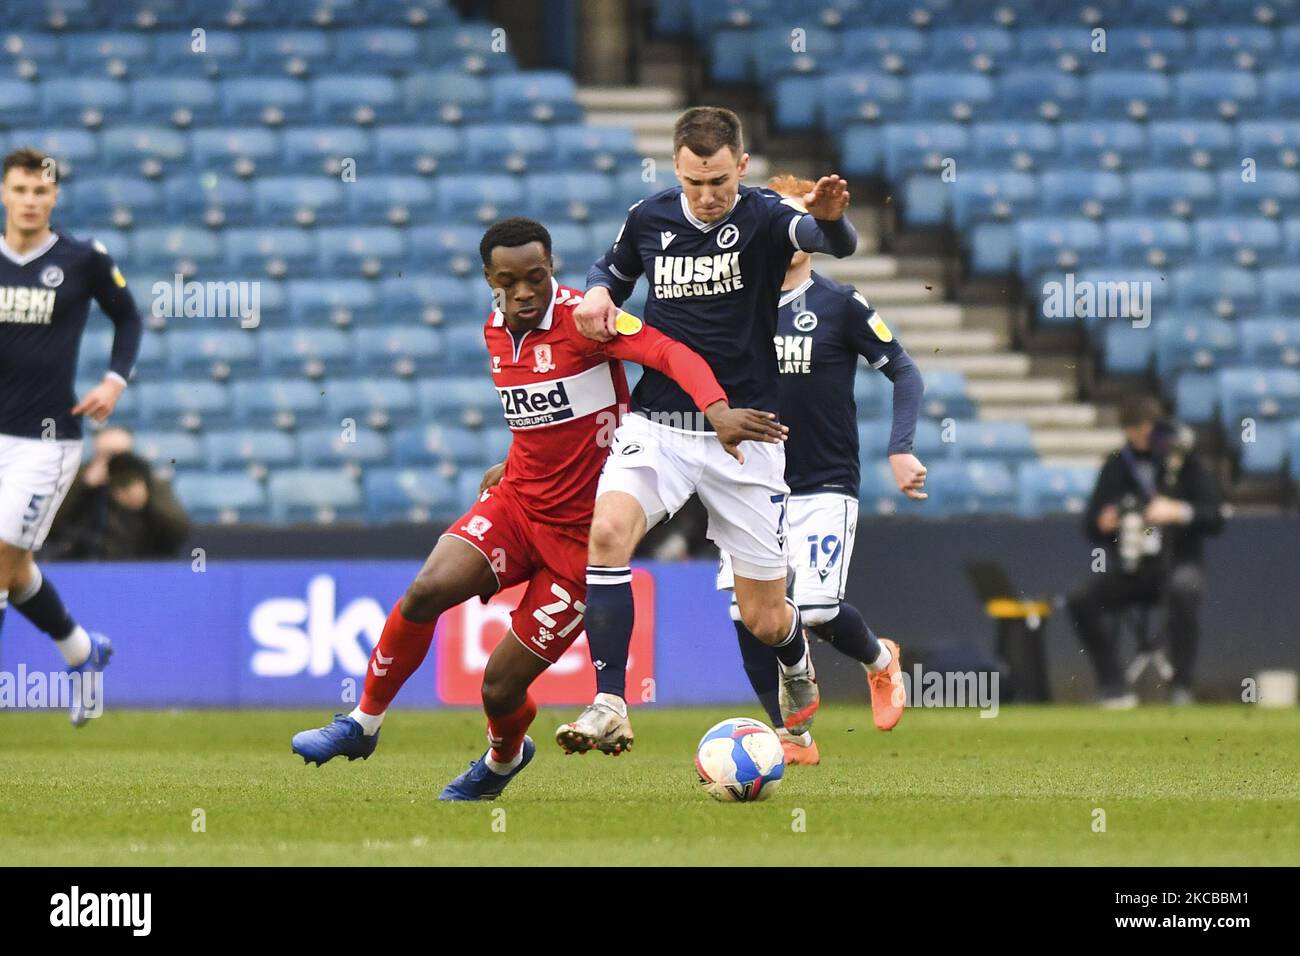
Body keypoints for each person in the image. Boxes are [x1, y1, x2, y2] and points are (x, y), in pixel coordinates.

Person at [291, 217, 783, 800]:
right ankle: (362, 725)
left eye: (537, 276)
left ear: (552, 269)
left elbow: (669, 353)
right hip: (517, 506)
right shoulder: (495, 331)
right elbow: (540, 413)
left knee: (498, 687)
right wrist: (513, 456)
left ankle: (502, 761)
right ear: (489, 281)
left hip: (581, 541)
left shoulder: (588, 320)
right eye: (509, 281)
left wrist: (718, 408)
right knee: (425, 591)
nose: (525, 291)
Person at [557, 106, 860, 756]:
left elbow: (827, 238)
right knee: (608, 532)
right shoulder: (649, 217)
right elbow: (609, 270)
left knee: (766, 616)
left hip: (743, 436)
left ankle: (793, 658)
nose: (707, 195)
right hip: (660, 422)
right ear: (677, 169)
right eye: (695, 182)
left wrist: (831, 220)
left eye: (719, 180)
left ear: (742, 167)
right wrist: (596, 294)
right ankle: (610, 700)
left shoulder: (764, 218)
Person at [717, 175, 927, 764]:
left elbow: (904, 371)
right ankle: (793, 737)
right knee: (749, 615)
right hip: (751, 483)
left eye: (807, 217)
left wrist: (901, 446)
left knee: (813, 609)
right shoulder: (736, 309)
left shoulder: (840, 303)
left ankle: (880, 661)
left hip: (825, 480)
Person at [0, 147, 142, 726]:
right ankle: (85, 653)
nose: (30, 201)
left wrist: (113, 381)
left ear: (54, 197)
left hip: (46, 439)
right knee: (13, 569)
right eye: (20, 190)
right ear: (4, 194)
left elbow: (128, 316)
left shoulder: (84, 259)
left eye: (41, 191)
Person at [1066, 394, 1225, 707]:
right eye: (1132, 428)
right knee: (1080, 600)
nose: (1140, 435)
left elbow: (1215, 516)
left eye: (1146, 427)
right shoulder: (1115, 466)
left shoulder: (1183, 462)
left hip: (1179, 563)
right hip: (1133, 569)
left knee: (1183, 589)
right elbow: (1090, 525)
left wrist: (1178, 511)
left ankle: (1182, 685)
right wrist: (1105, 522)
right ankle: (1114, 684)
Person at [44, 426, 192, 560]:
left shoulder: (147, 481)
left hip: (139, 563)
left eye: (120, 455)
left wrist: (146, 503)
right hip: (84, 563)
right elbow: (47, 529)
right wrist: (83, 486)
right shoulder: (77, 478)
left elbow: (179, 531)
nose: (113, 463)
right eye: (105, 455)